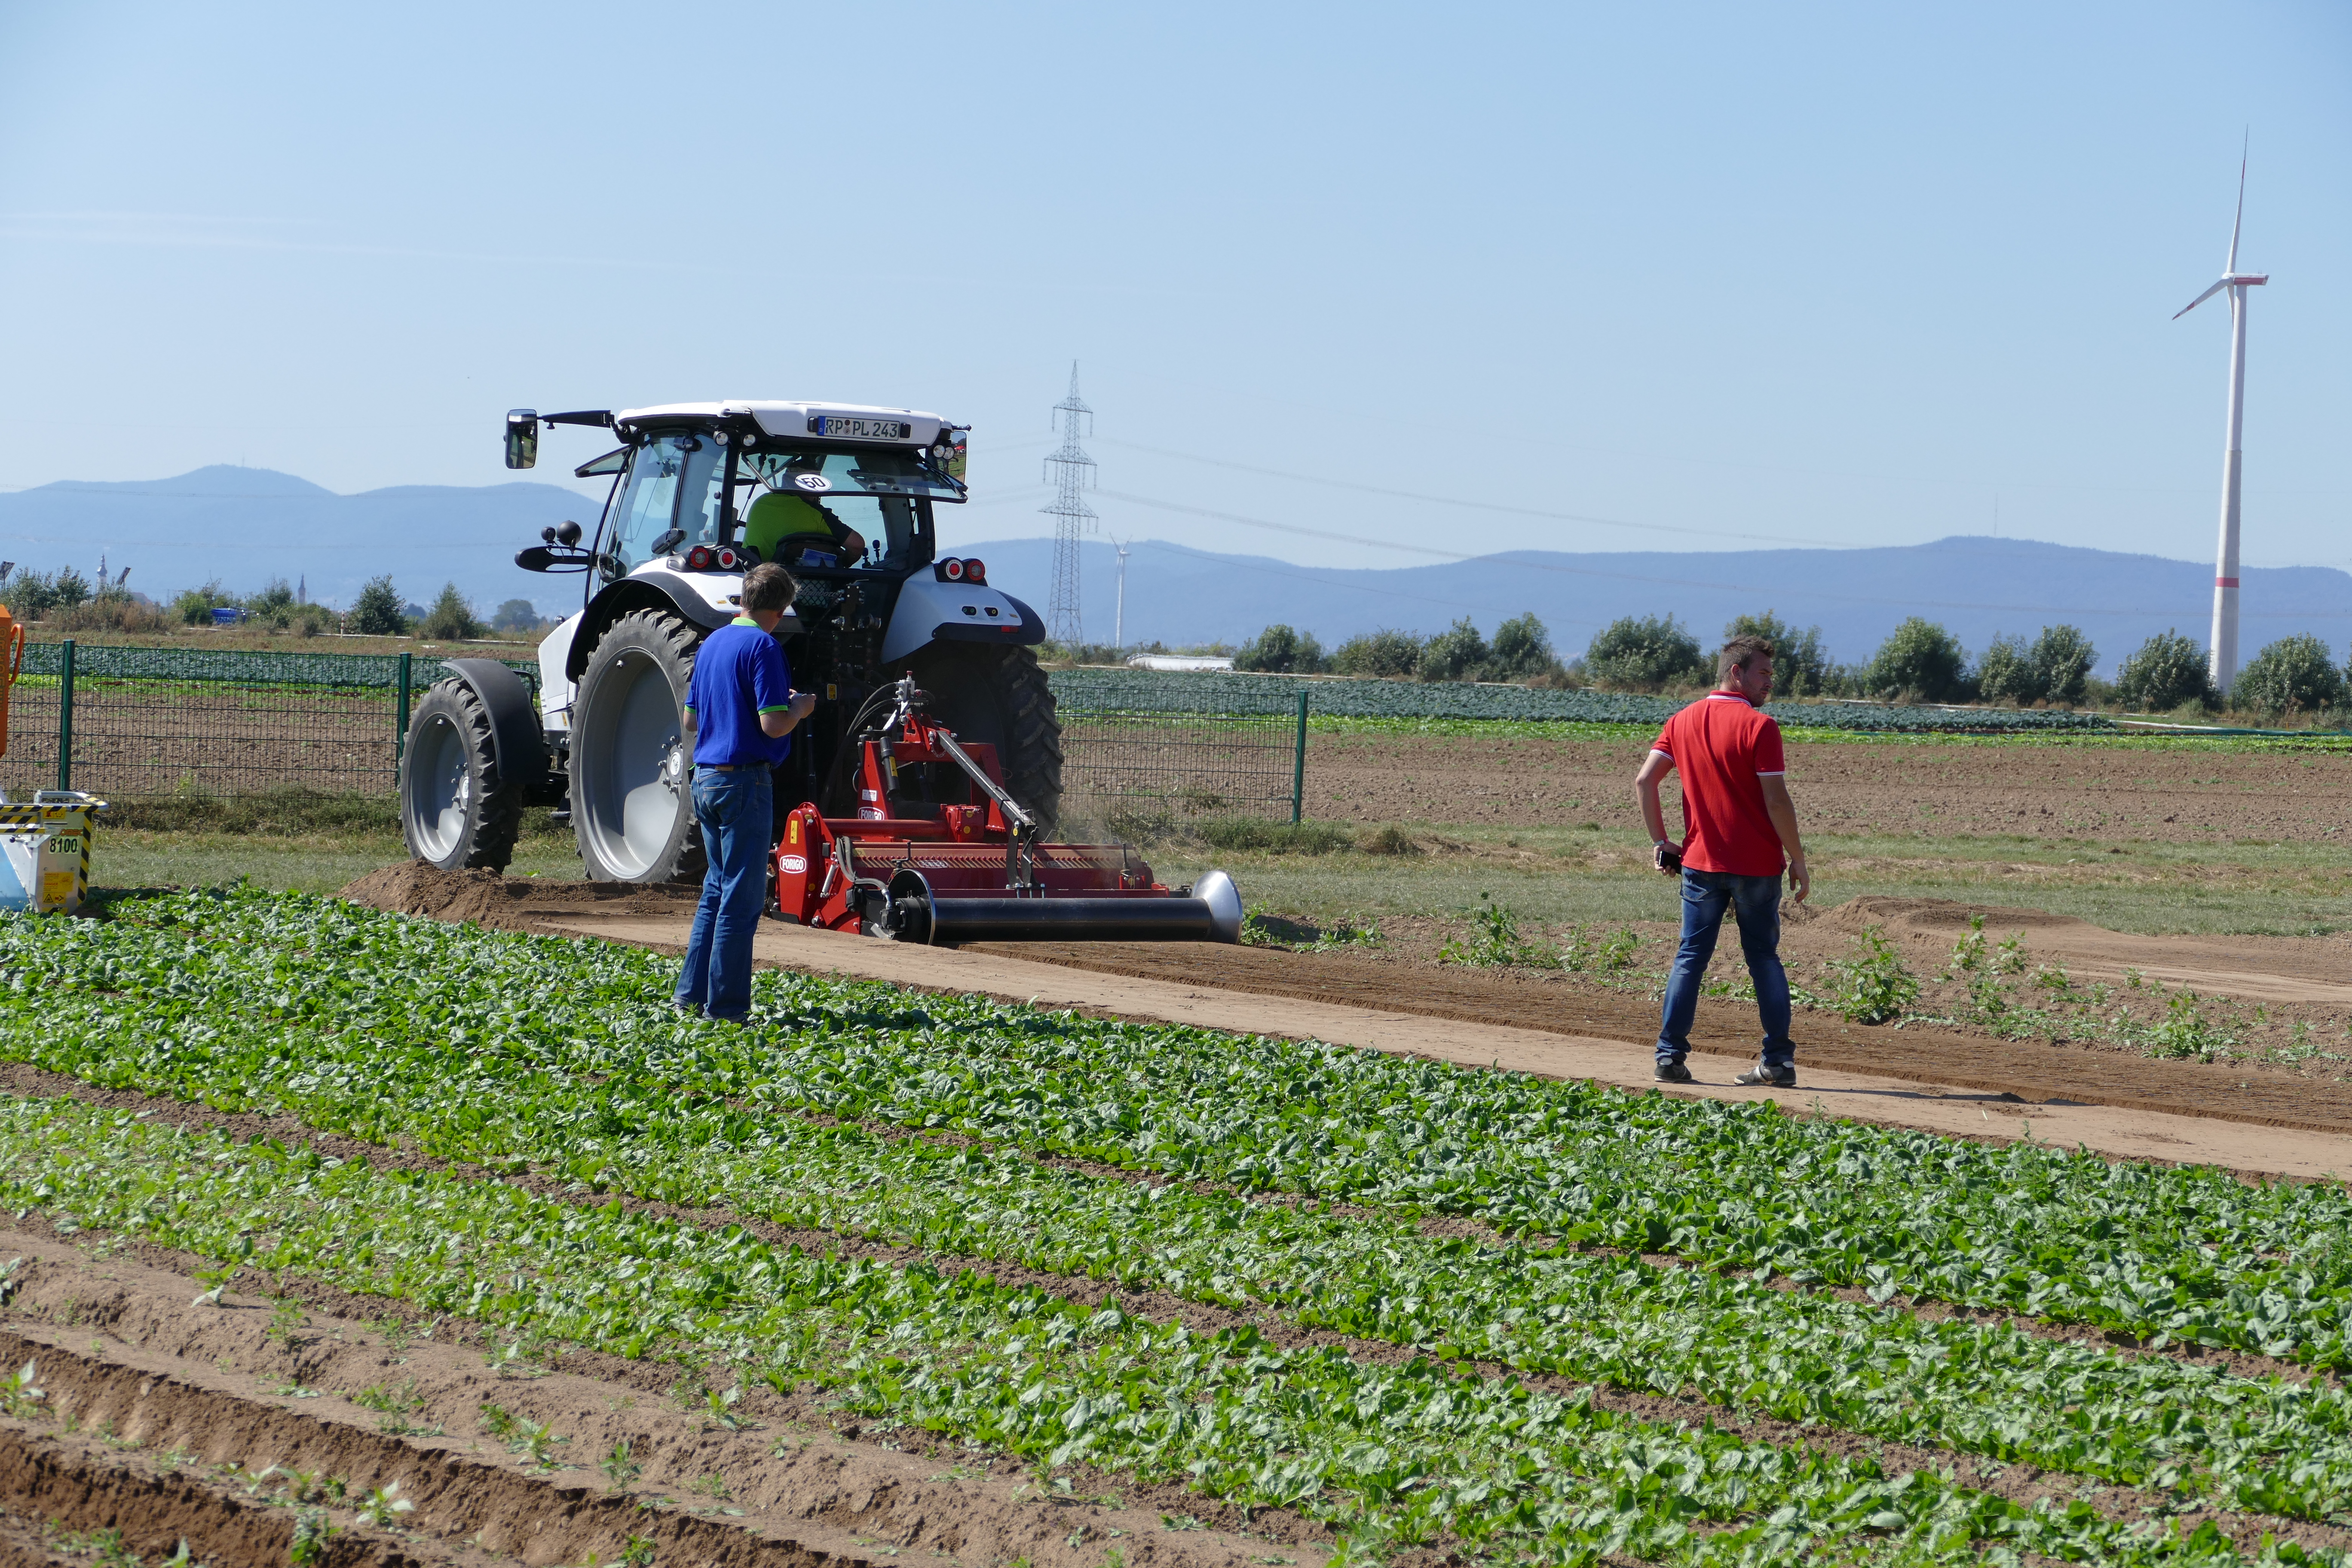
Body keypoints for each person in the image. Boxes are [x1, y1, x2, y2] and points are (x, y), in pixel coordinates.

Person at [1632, 633, 1812, 1088]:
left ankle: (1669, 1058)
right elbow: (1777, 801)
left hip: (1701, 864)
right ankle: (1778, 1062)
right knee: (1764, 958)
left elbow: (1645, 781)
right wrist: (1798, 857)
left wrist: (1661, 842)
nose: (1770, 682)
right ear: (1737, 672)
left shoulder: (1681, 721)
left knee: (1690, 957)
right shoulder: (1761, 727)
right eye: (1763, 673)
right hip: (1757, 866)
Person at [675, 561, 818, 1022]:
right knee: (742, 898)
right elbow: (773, 724)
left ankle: (689, 996)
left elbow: (690, 720)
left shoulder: (712, 643)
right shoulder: (764, 647)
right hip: (744, 781)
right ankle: (727, 1008)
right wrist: (800, 708)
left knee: (715, 890)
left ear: (745, 599)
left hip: (706, 777)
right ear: (781, 608)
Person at [741, 490, 866, 568]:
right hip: (803, 590)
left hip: (755, 585)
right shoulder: (817, 514)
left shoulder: (759, 503)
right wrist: (841, 563)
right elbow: (857, 545)